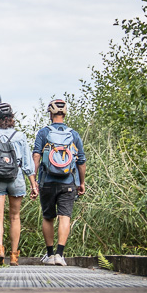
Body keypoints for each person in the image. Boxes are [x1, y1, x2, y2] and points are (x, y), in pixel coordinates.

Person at [0, 101, 38, 266]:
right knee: (15, 217)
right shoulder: (20, 136)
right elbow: (27, 163)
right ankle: (14, 256)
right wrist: (33, 184)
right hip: (16, 178)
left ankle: (0, 248)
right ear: (11, 117)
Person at [32, 96, 86, 265]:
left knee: (48, 217)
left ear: (50, 113)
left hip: (47, 182)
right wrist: (81, 183)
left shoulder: (43, 133)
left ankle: (49, 255)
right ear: (65, 113)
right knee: (65, 217)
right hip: (68, 182)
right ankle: (60, 255)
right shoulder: (73, 134)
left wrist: (33, 181)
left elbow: (36, 156)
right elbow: (81, 161)